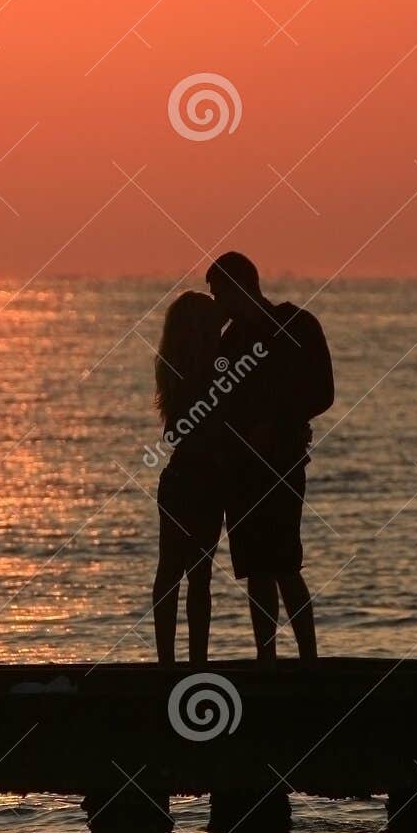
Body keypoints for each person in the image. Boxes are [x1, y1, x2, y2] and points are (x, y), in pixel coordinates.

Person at [206, 252, 334, 666]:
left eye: (219, 294)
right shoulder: (228, 342)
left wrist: (277, 425)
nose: (217, 305)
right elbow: (217, 401)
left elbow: (322, 393)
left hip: (282, 466)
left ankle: (308, 659)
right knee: (254, 569)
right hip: (240, 470)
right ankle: (267, 659)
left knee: (283, 562)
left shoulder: (297, 325)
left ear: (237, 287)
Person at [151, 291, 226, 665]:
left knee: (179, 573)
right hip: (197, 482)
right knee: (193, 575)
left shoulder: (174, 368)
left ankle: (176, 661)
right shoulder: (201, 371)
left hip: (188, 479)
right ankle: (189, 661)